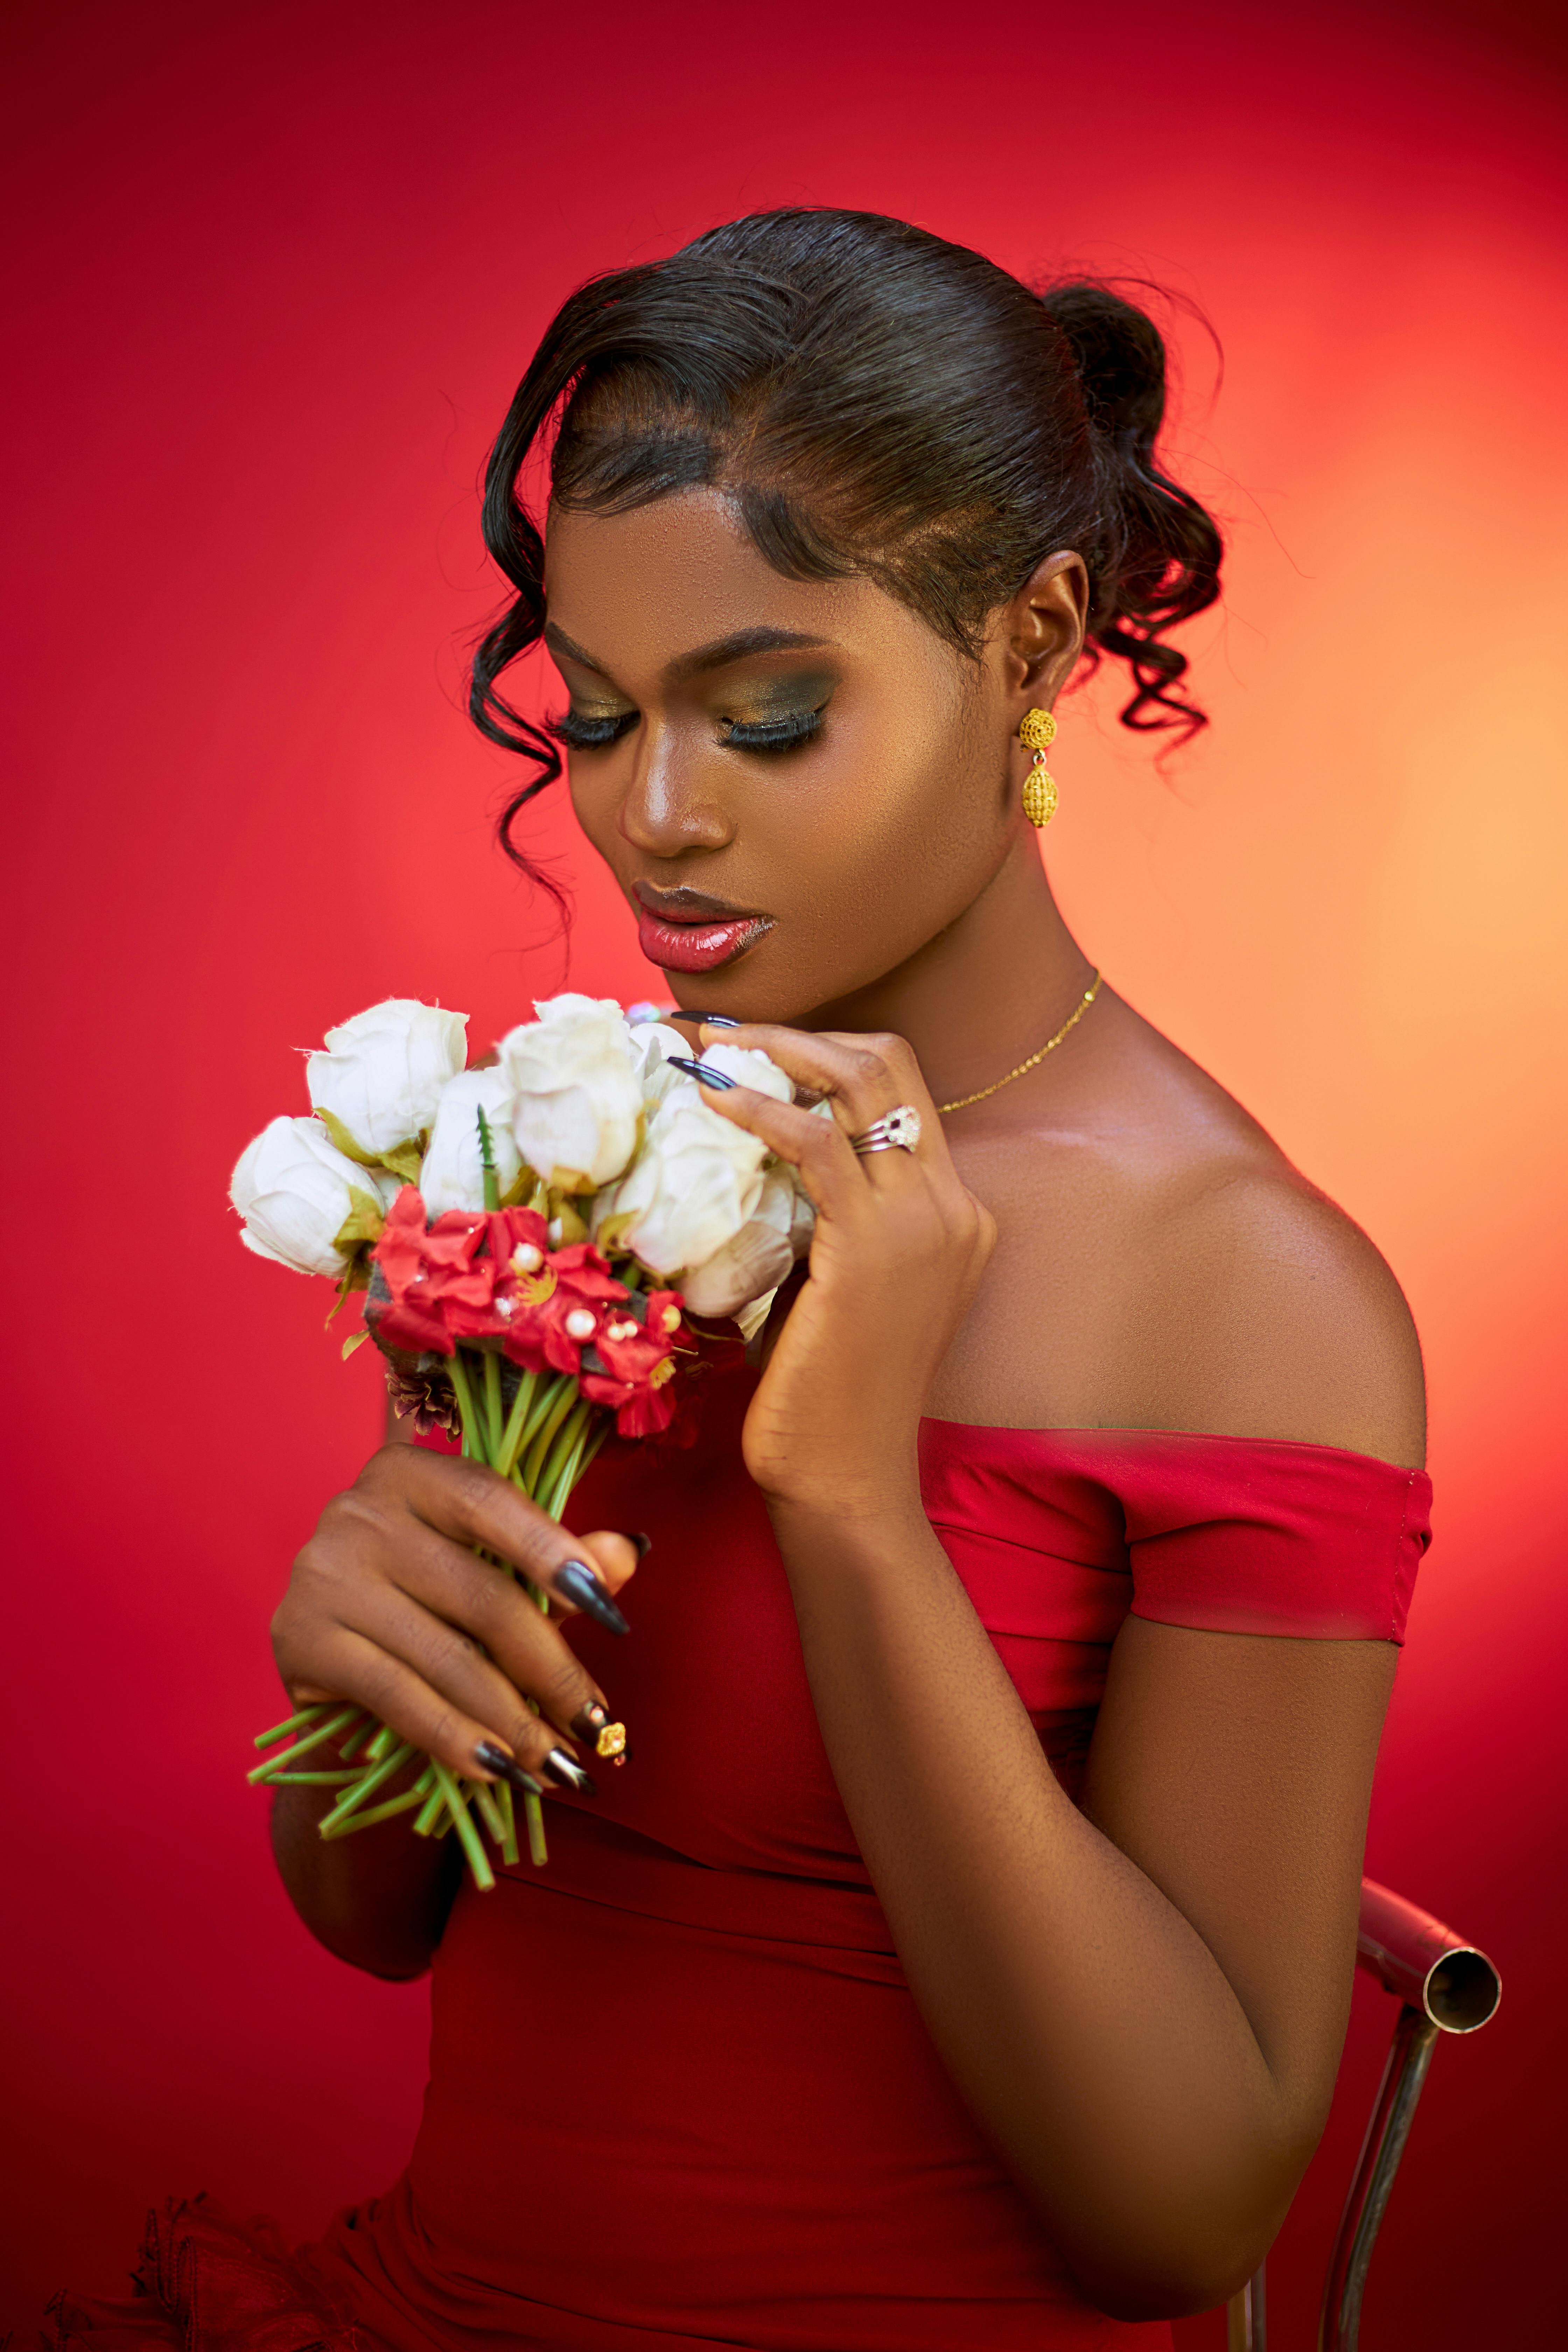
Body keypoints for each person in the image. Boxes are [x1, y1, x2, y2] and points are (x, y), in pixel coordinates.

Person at [54, 208, 1428, 2352]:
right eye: (597, 719)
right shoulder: (592, 1148)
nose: (655, 821)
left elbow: (1176, 2214)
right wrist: (350, 1655)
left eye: (769, 717)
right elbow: (386, 1911)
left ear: (1033, 637)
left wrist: (858, 1506)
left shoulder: (1242, 1289)